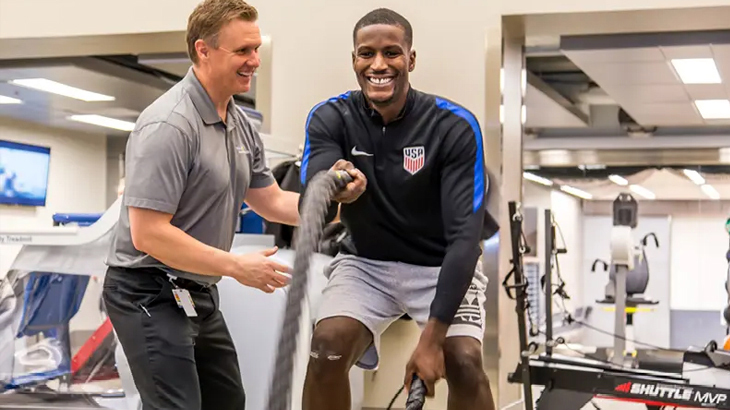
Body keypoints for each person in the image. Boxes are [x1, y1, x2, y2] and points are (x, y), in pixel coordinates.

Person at [101, 0, 299, 409]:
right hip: (147, 291)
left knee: (227, 401)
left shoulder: (238, 122)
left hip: (195, 290)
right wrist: (236, 266)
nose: (254, 61)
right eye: (242, 51)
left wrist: (344, 206)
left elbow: (272, 200)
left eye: (257, 49)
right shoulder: (169, 124)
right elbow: (148, 234)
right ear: (203, 50)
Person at [299, 8, 497, 410]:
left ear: (410, 59)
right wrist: (336, 190)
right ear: (353, 59)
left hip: (441, 264)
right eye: (365, 53)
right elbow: (311, 202)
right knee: (326, 348)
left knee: (464, 361)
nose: (378, 64)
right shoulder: (330, 117)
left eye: (391, 52)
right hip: (367, 265)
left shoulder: (453, 126)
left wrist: (432, 339)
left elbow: (465, 238)